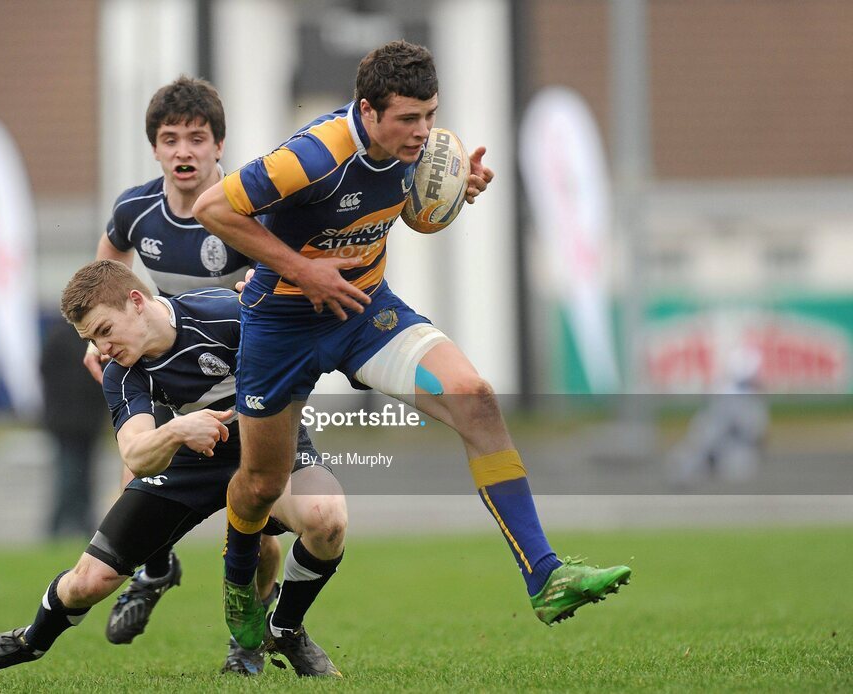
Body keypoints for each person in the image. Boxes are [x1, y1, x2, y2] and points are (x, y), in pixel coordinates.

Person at [193, 40, 631, 650]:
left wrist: (454, 190)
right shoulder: (313, 155)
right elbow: (213, 207)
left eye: (430, 114)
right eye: (408, 118)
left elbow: (412, 214)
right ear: (367, 110)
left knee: (474, 396)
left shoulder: (421, 146)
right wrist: (304, 268)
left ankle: (544, 575)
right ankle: (241, 585)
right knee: (262, 483)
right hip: (282, 323)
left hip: (366, 310)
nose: (424, 131)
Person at [0, 261, 346, 680]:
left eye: (104, 331)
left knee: (326, 520)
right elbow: (138, 454)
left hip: (266, 445)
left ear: (136, 302)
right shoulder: (121, 373)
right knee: (88, 582)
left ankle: (282, 630)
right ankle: (29, 641)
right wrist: (177, 429)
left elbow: (301, 334)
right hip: (186, 463)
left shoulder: (226, 313)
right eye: (91, 340)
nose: (102, 349)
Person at [82, 77, 282, 662]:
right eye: (170, 139)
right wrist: (101, 329)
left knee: (261, 532)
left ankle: (246, 631)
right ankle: (156, 567)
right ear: (155, 149)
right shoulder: (136, 209)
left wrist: (264, 282)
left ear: (220, 146)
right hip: (171, 377)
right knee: (135, 483)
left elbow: (288, 269)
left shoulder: (248, 208)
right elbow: (110, 257)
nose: (183, 151)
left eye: (197, 138)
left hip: (246, 387)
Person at [40, 321, 109, 537]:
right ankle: (60, 526)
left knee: (83, 475)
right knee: (70, 474)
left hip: (87, 420)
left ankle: (80, 523)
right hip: (67, 422)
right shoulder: (61, 337)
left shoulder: (77, 337)